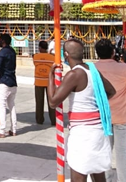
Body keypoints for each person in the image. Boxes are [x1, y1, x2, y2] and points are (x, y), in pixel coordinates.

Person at [47, 39, 116, 182]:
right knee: (98, 174)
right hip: (97, 130)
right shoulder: (92, 70)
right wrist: (95, 106)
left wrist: (50, 76)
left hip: (83, 133)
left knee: (79, 174)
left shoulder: (74, 74)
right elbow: (111, 91)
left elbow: (53, 102)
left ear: (66, 55)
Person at [94, 38, 126, 182]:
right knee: (121, 153)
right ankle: (123, 180)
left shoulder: (93, 69)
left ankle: (107, 178)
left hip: (103, 116)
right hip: (122, 116)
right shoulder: (123, 68)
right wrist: (125, 60)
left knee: (105, 151)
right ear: (113, 52)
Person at [0, 33, 18, 138]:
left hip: (4, 82)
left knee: (1, 106)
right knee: (12, 106)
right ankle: (13, 129)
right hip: (13, 81)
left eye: (0, 40)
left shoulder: (2, 52)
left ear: (3, 41)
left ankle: (2, 130)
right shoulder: (12, 51)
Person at [33, 40, 55, 126]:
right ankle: (53, 120)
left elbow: (35, 63)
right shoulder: (52, 57)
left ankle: (39, 120)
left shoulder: (35, 57)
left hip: (38, 81)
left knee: (39, 102)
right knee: (51, 102)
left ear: (40, 48)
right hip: (49, 82)